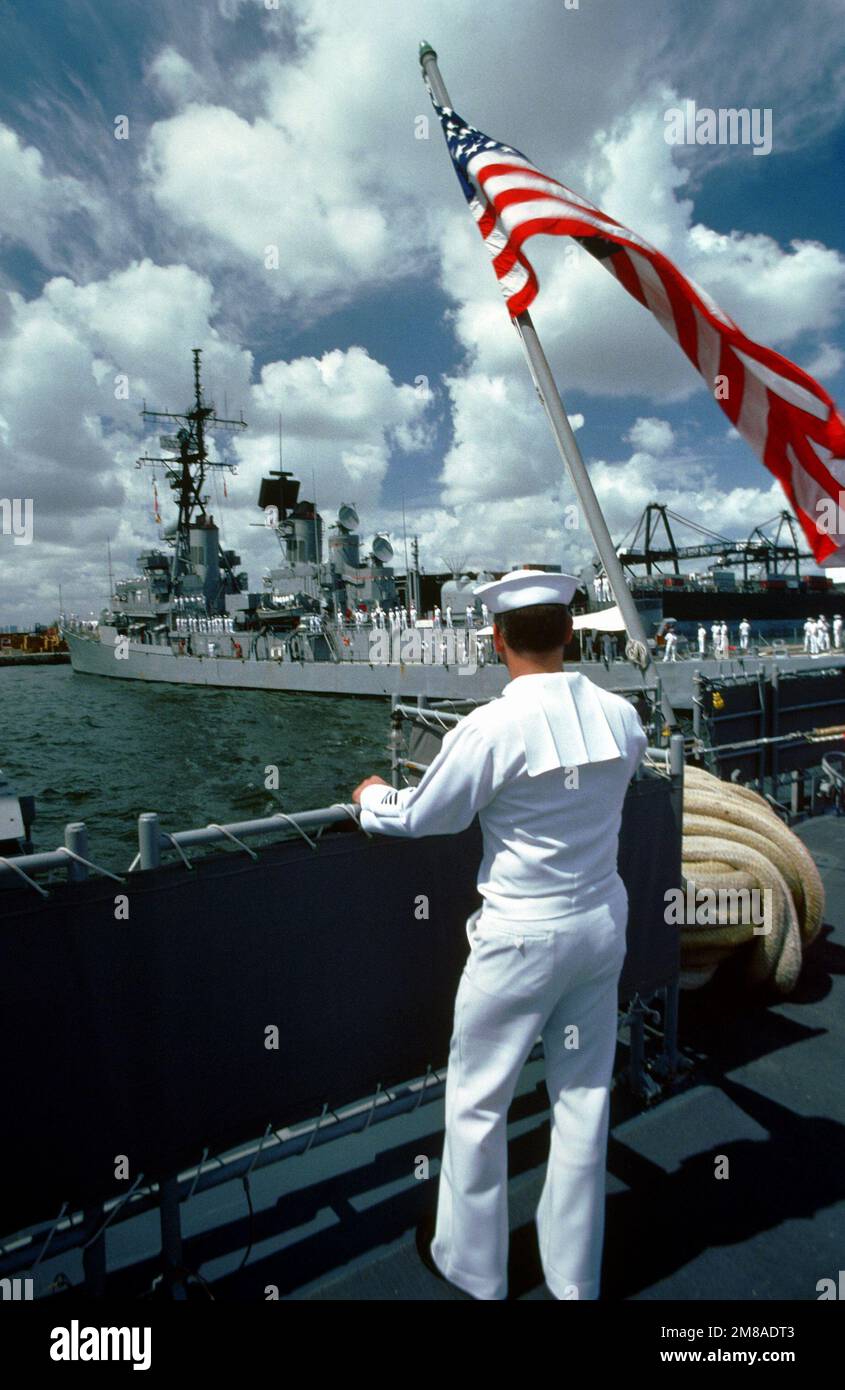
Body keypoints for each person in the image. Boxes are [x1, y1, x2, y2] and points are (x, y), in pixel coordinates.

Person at [352, 568, 647, 1301]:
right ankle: (574, 1276)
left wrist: (367, 798)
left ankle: (474, 1268)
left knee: (479, 1102)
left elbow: (425, 814)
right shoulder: (621, 713)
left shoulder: (488, 726)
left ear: (496, 638)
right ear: (570, 633)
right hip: (600, 923)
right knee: (582, 1100)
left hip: (519, 940)